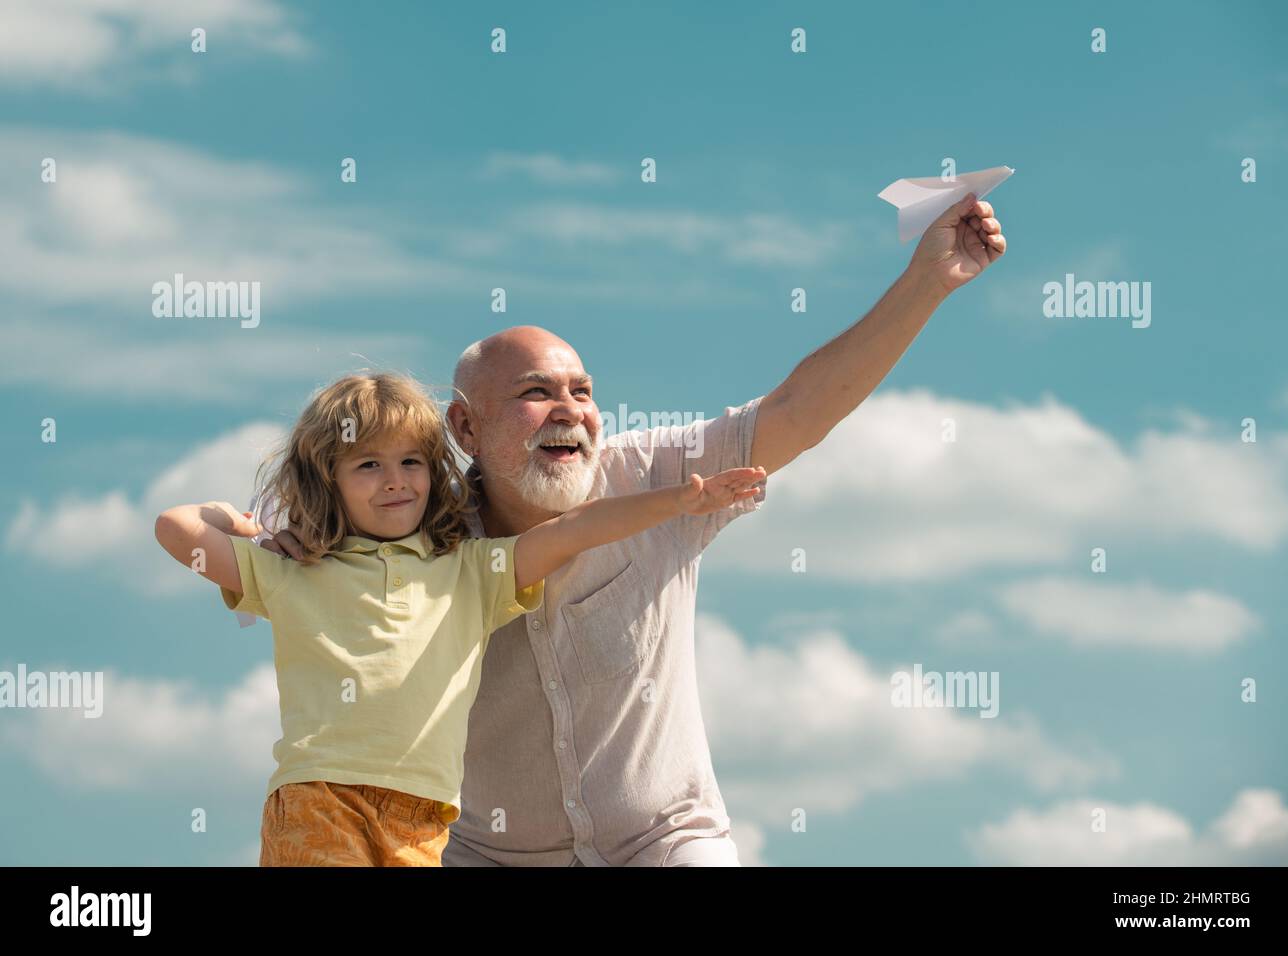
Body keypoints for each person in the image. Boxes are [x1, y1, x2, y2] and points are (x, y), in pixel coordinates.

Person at [260, 192, 1007, 865]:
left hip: (668, 842)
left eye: (582, 392)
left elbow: (796, 410)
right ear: (464, 424)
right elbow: (276, 525)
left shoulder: (657, 479)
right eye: (535, 393)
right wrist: (283, 539)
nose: (569, 410)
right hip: (490, 856)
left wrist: (928, 280)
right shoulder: (411, 531)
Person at [155, 371, 764, 866]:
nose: (395, 482)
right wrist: (249, 528)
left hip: (427, 819)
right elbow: (174, 528)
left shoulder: (471, 570)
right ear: (328, 480)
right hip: (320, 799)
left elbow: (574, 530)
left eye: (411, 463)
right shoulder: (294, 570)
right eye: (368, 465)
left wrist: (681, 501)